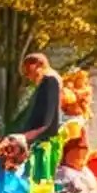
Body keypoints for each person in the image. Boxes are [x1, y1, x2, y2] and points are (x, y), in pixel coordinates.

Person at [15, 53, 63, 182]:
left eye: (28, 71)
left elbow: (47, 116)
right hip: (41, 139)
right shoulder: (48, 82)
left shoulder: (49, 81)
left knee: (36, 179)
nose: (28, 76)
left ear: (36, 65)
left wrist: (29, 135)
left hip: (42, 142)